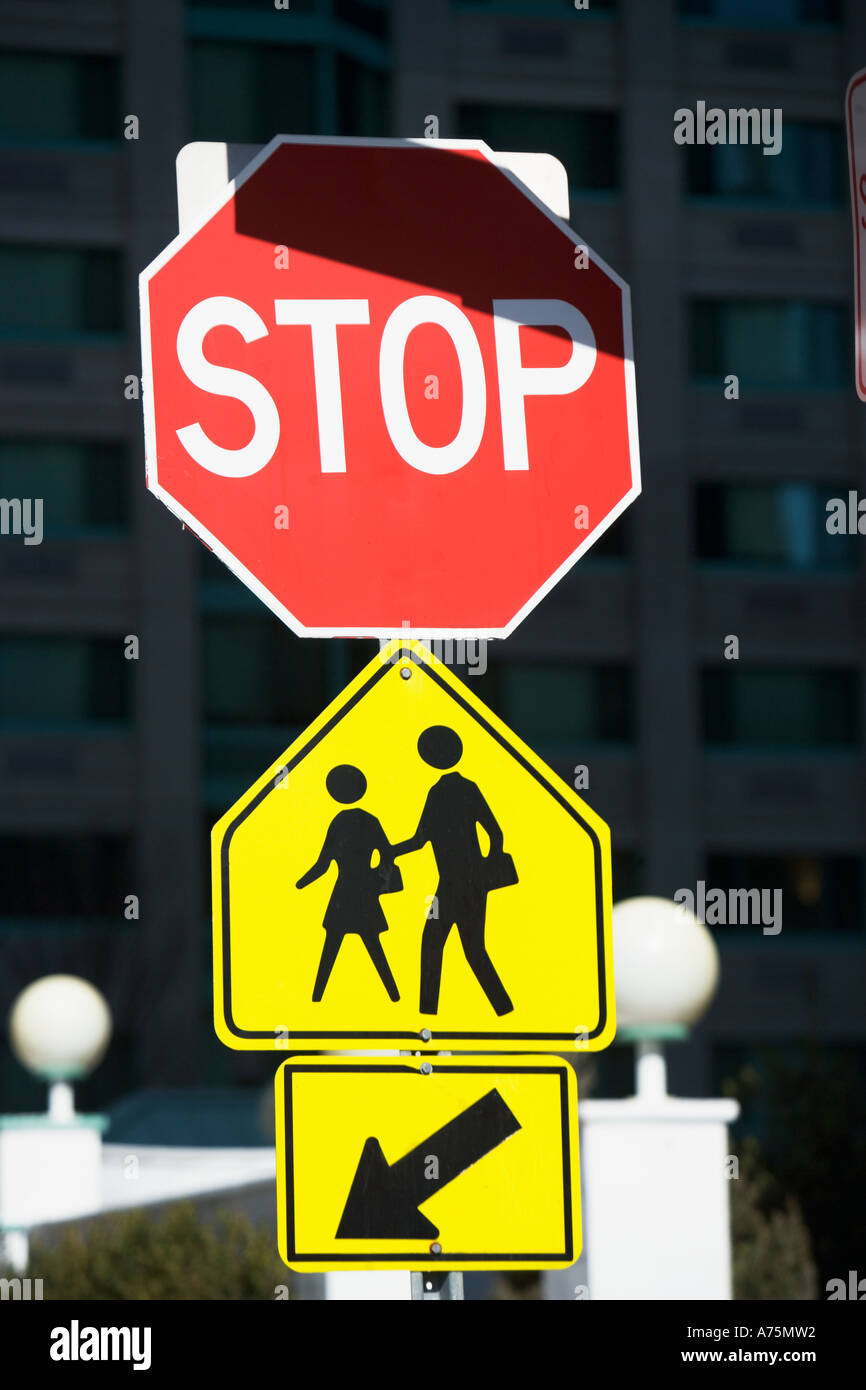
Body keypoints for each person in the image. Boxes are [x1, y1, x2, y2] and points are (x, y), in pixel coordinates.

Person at [394, 725, 515, 1016]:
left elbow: (495, 832)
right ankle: (431, 1016)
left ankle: (502, 1011)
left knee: (461, 948)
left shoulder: (459, 789)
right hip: (452, 884)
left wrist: (486, 870)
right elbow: (421, 839)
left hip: (465, 883)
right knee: (446, 946)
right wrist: (387, 850)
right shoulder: (440, 792)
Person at [296, 763, 401, 1003]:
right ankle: (394, 997)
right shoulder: (369, 820)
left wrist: (300, 884)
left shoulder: (339, 822)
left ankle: (316, 999)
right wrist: (379, 878)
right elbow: (388, 853)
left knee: (332, 948)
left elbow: (322, 865)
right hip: (364, 892)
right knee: (372, 947)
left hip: (344, 894)